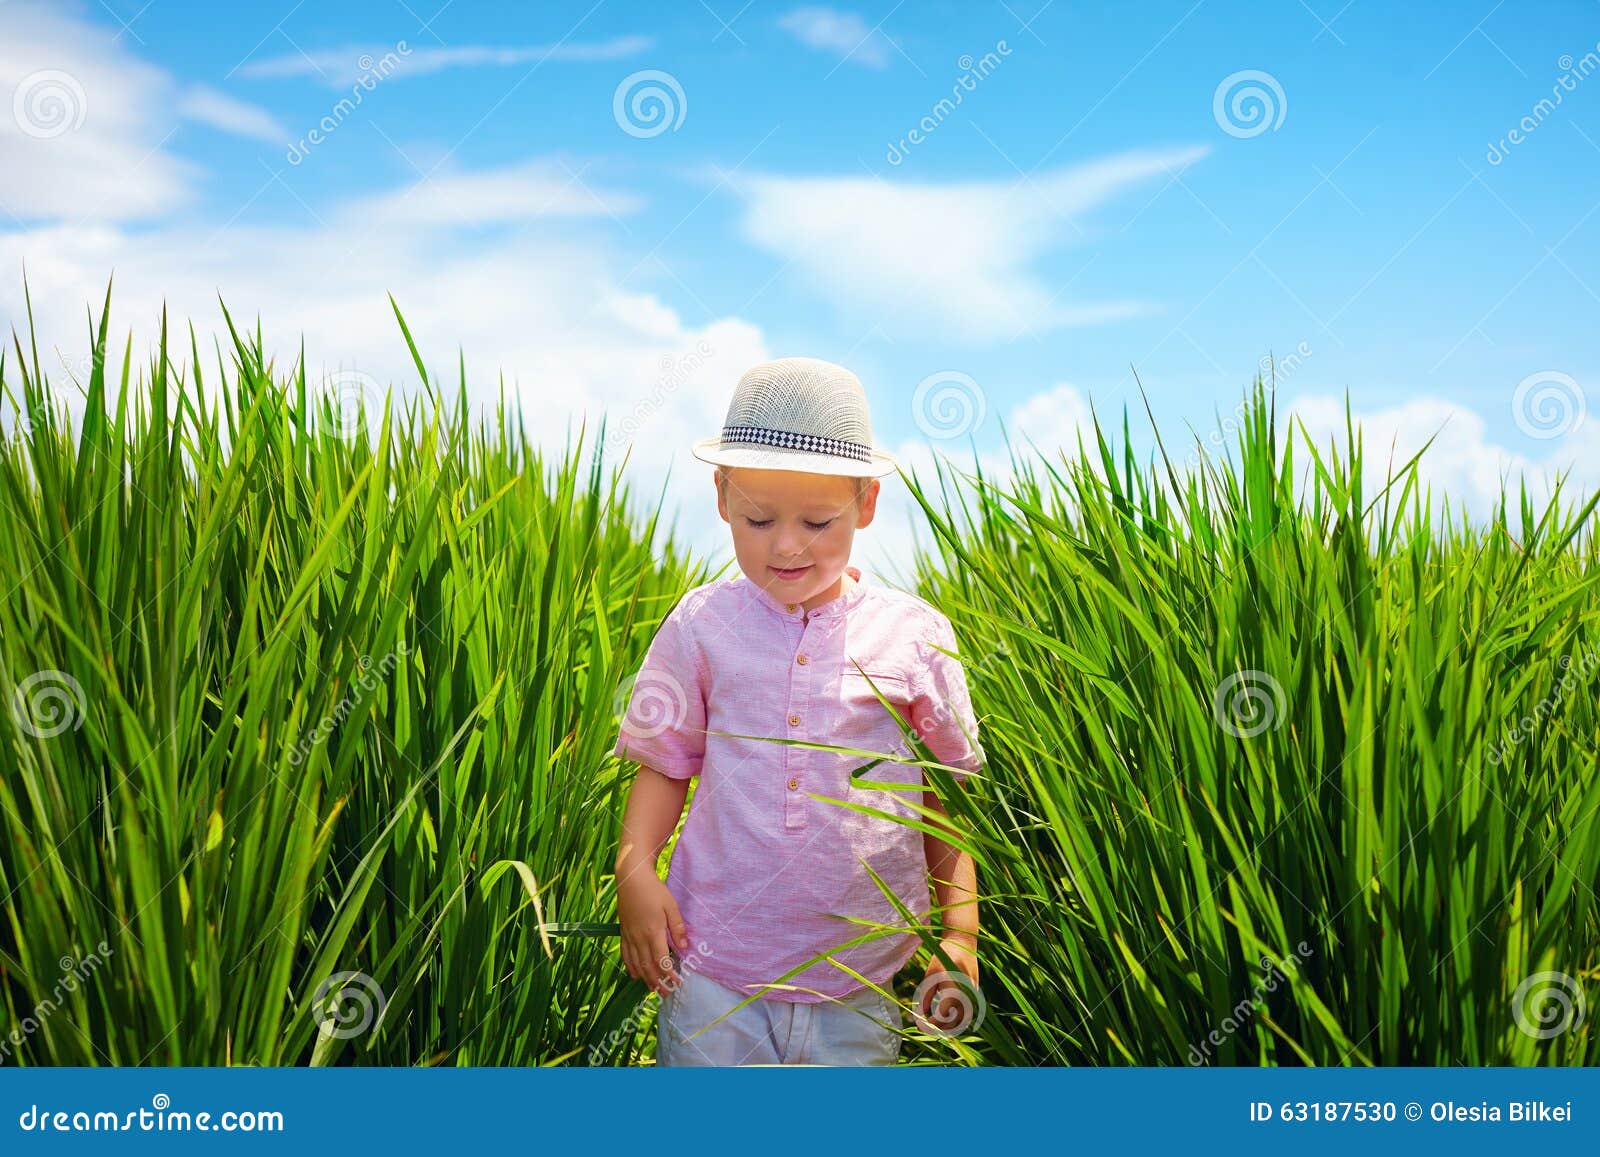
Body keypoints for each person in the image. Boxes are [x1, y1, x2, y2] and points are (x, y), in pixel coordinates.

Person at [611, 356, 986, 1066]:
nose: (785, 545)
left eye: (817, 521)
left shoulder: (914, 635)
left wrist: (959, 930)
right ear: (722, 496)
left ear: (866, 504)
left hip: (859, 979)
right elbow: (666, 765)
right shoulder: (702, 624)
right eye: (758, 518)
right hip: (711, 968)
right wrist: (636, 869)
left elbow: (944, 797)